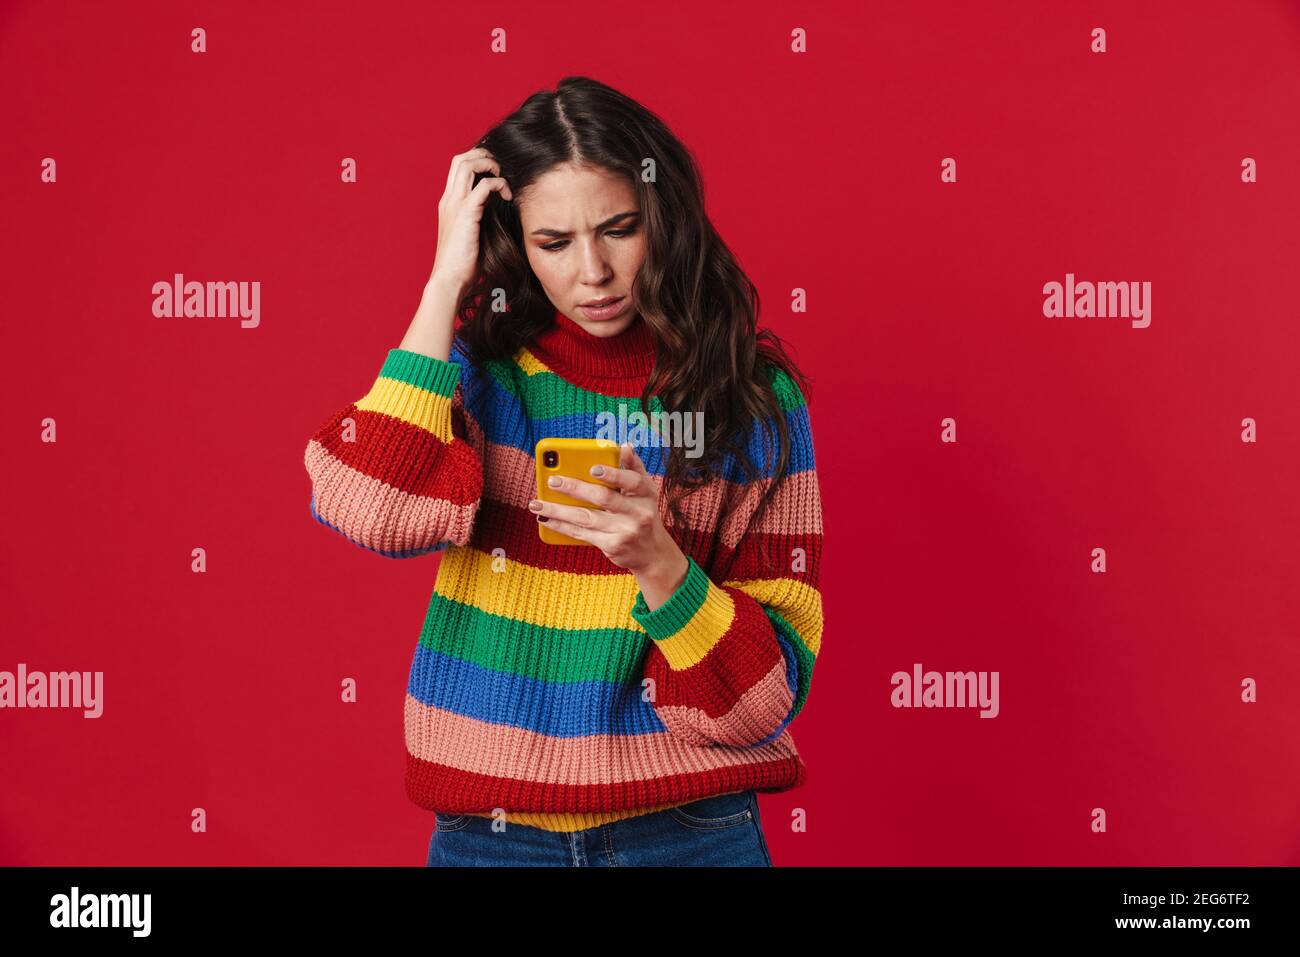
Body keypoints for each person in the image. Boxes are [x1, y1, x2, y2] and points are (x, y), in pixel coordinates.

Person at [304, 76, 824, 866]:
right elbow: (370, 508)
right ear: (515, 241)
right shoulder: (478, 377)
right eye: (554, 242)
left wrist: (661, 566)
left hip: (687, 833)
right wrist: (444, 279)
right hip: (492, 837)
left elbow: (762, 706)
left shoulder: (752, 400)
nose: (594, 271)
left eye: (620, 228)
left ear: (665, 217)